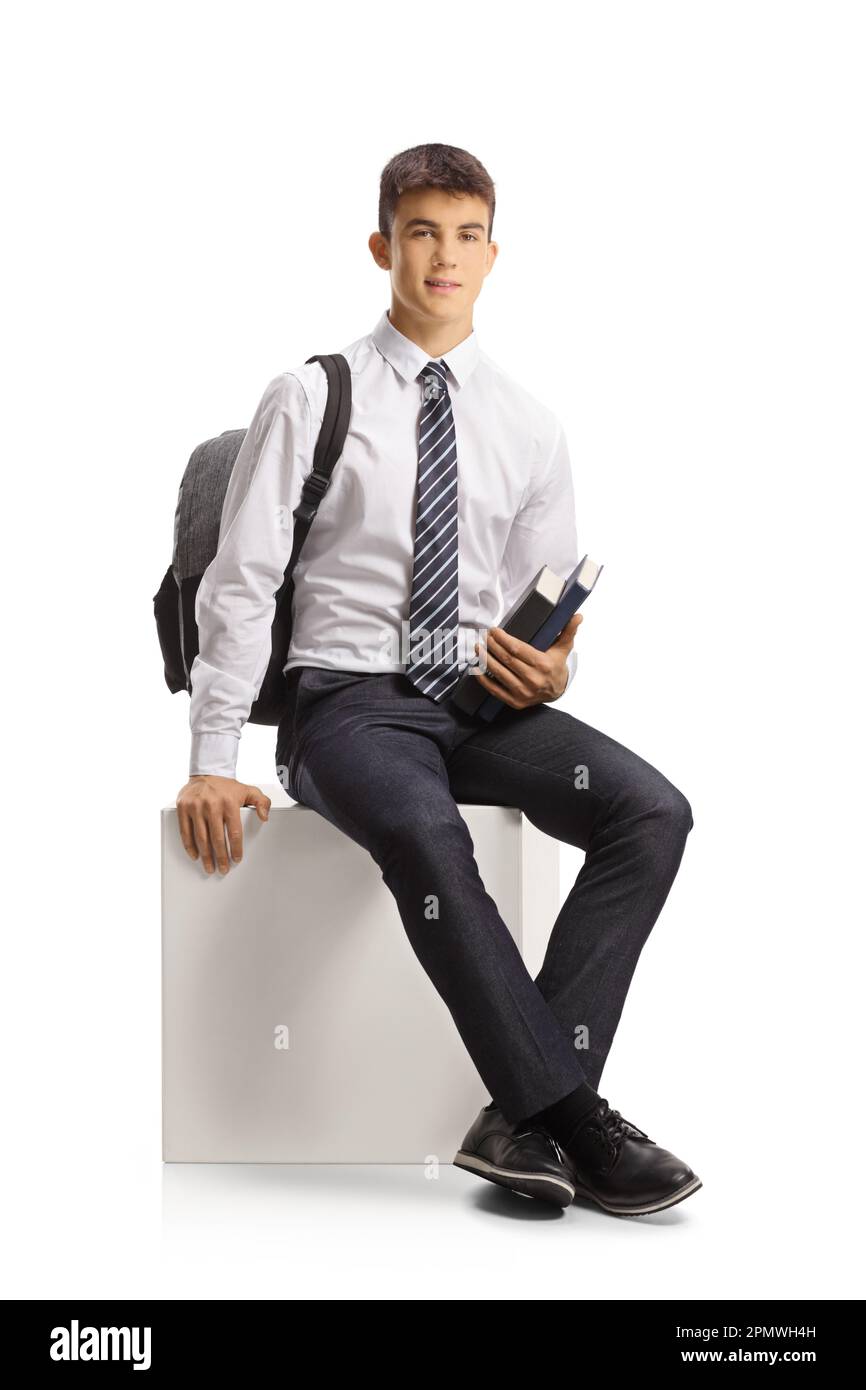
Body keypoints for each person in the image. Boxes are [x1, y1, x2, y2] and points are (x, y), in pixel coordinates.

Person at [175, 142, 699, 1217]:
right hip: (348, 708)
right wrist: (210, 759)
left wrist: (548, 668)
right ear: (383, 246)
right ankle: (570, 1115)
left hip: (478, 706)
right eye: (421, 231)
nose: (443, 255)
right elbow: (239, 582)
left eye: (465, 235)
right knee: (422, 830)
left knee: (651, 810)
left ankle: (521, 1116)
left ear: (492, 254)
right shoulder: (308, 394)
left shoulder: (529, 425)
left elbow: (537, 620)